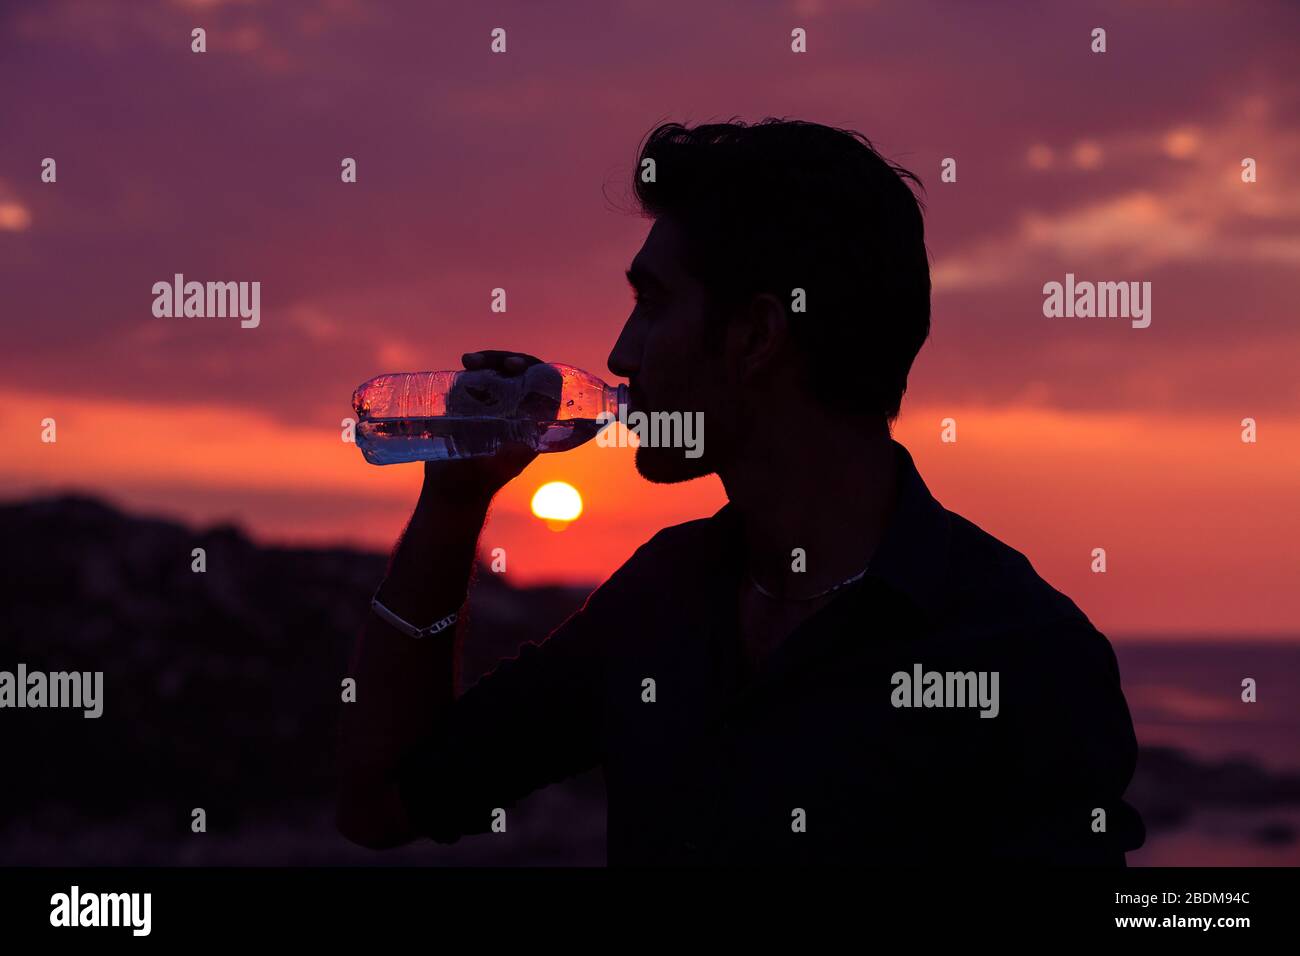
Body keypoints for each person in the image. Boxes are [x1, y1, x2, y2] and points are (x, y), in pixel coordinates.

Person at [337, 118, 1145, 864]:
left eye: (652, 303)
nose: (620, 354)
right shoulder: (662, 596)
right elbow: (382, 803)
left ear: (757, 334)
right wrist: (455, 501)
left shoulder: (1020, 653)